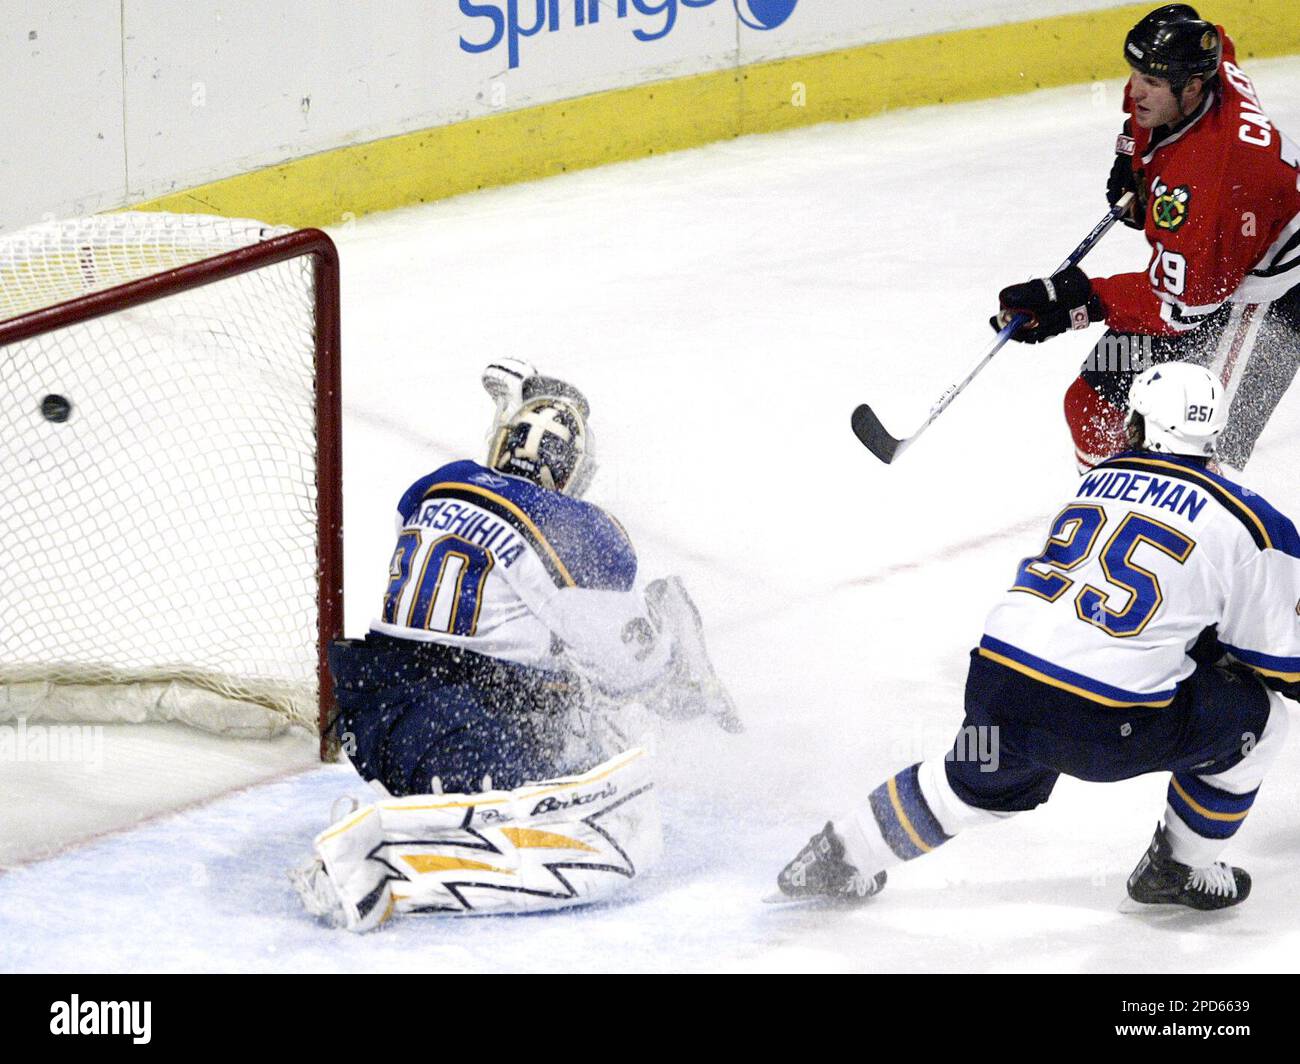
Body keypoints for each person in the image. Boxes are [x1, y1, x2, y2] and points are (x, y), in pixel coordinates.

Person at [777, 362, 1299, 910]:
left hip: (997, 688)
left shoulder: (1097, 479)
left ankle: (841, 853)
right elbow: (1283, 658)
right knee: (1261, 721)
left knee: (965, 782)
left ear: (1139, 421)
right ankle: (1177, 867)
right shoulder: (1246, 519)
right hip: (1104, 726)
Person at [292, 360, 738, 930]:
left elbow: (493, 552)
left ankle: (426, 810)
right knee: (580, 772)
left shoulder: (440, 483)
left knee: (547, 684)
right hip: (441, 721)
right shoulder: (565, 523)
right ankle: (373, 856)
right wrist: (675, 672)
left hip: (371, 712)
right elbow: (618, 667)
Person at [993, 5, 1300, 471]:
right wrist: (1132, 154)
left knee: (1202, 459)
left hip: (1266, 300)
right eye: (1136, 73)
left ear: (1193, 87)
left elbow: (1182, 309)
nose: (1135, 89)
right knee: (1092, 407)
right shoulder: (1203, 67)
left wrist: (1082, 300)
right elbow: (1215, 34)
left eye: (1152, 83)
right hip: (1216, 262)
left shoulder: (1208, 182)